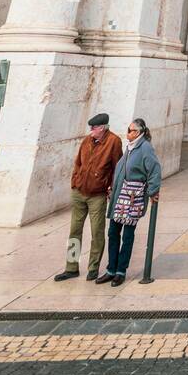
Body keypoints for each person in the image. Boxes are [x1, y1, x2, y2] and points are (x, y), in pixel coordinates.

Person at [55, 112, 122, 282]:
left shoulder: (113, 141)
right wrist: (74, 181)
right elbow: (78, 163)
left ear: (103, 128)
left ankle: (93, 267)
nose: (91, 130)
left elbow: (117, 167)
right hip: (79, 192)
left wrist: (111, 188)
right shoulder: (87, 141)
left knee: (96, 232)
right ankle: (71, 267)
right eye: (91, 128)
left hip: (97, 195)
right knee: (74, 231)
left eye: (94, 128)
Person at [96, 120, 161, 288]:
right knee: (113, 232)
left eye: (131, 130)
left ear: (139, 132)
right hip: (120, 196)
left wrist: (153, 191)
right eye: (128, 130)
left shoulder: (145, 147)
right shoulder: (130, 147)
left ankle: (120, 271)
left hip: (133, 197)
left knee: (127, 235)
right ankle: (111, 269)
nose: (128, 133)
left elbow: (154, 169)